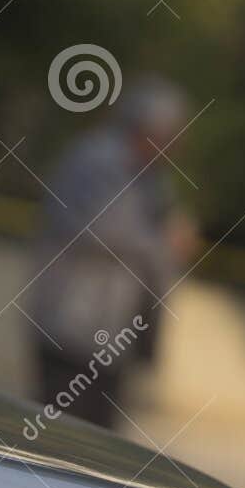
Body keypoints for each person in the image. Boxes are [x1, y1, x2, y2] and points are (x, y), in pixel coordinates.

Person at [26, 76, 195, 429]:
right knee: (58, 435)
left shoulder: (152, 178)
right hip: (70, 328)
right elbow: (101, 227)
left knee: (96, 444)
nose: (174, 147)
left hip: (112, 339)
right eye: (168, 135)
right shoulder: (98, 160)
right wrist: (163, 242)